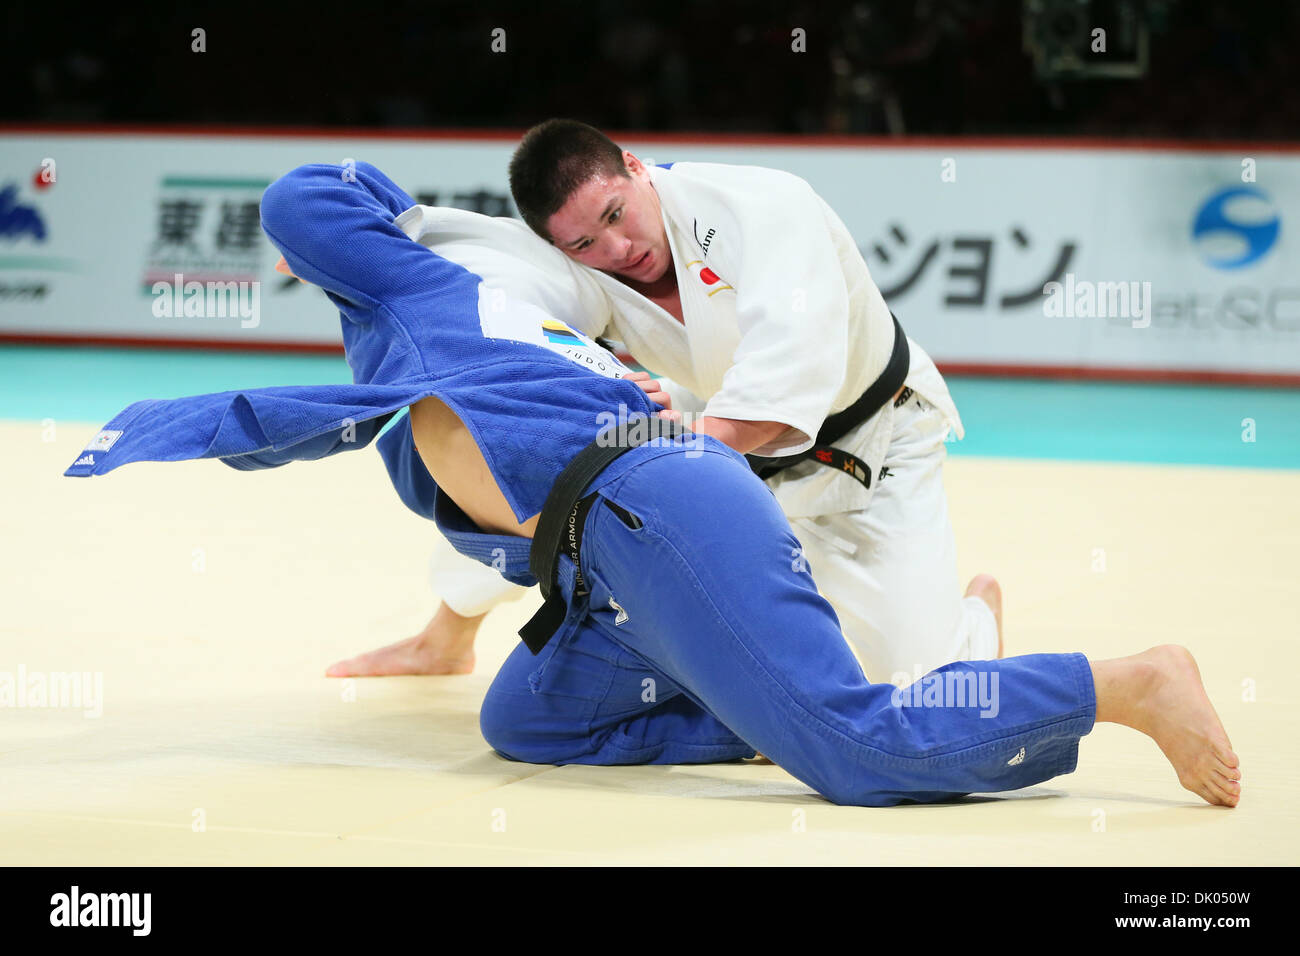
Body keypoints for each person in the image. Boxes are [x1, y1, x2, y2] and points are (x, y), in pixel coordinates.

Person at [66, 161, 1241, 808]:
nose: (611, 244)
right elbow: (483, 511)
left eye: (618, 214)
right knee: (529, 719)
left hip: (670, 494)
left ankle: (1124, 680)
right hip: (603, 548)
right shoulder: (449, 328)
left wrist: (394, 212)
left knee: (859, 743)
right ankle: (764, 702)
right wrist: (439, 631)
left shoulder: (416, 291)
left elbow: (302, 197)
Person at [333, 119, 997, 685]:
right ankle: (444, 639)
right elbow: (470, 269)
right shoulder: (577, 257)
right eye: (584, 244)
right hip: (713, 415)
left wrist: (684, 436)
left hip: (867, 439)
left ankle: (974, 622)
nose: (617, 250)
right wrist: (346, 265)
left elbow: (778, 393)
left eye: (616, 215)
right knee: (552, 469)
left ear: (633, 166)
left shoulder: (764, 208)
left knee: (924, 688)